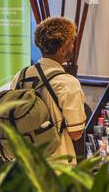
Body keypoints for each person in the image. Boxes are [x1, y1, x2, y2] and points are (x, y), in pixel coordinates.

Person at [18, 16, 87, 161]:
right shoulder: (68, 83)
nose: (73, 47)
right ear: (62, 49)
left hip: (24, 158)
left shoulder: (21, 75)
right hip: (57, 161)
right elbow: (76, 133)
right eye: (71, 43)